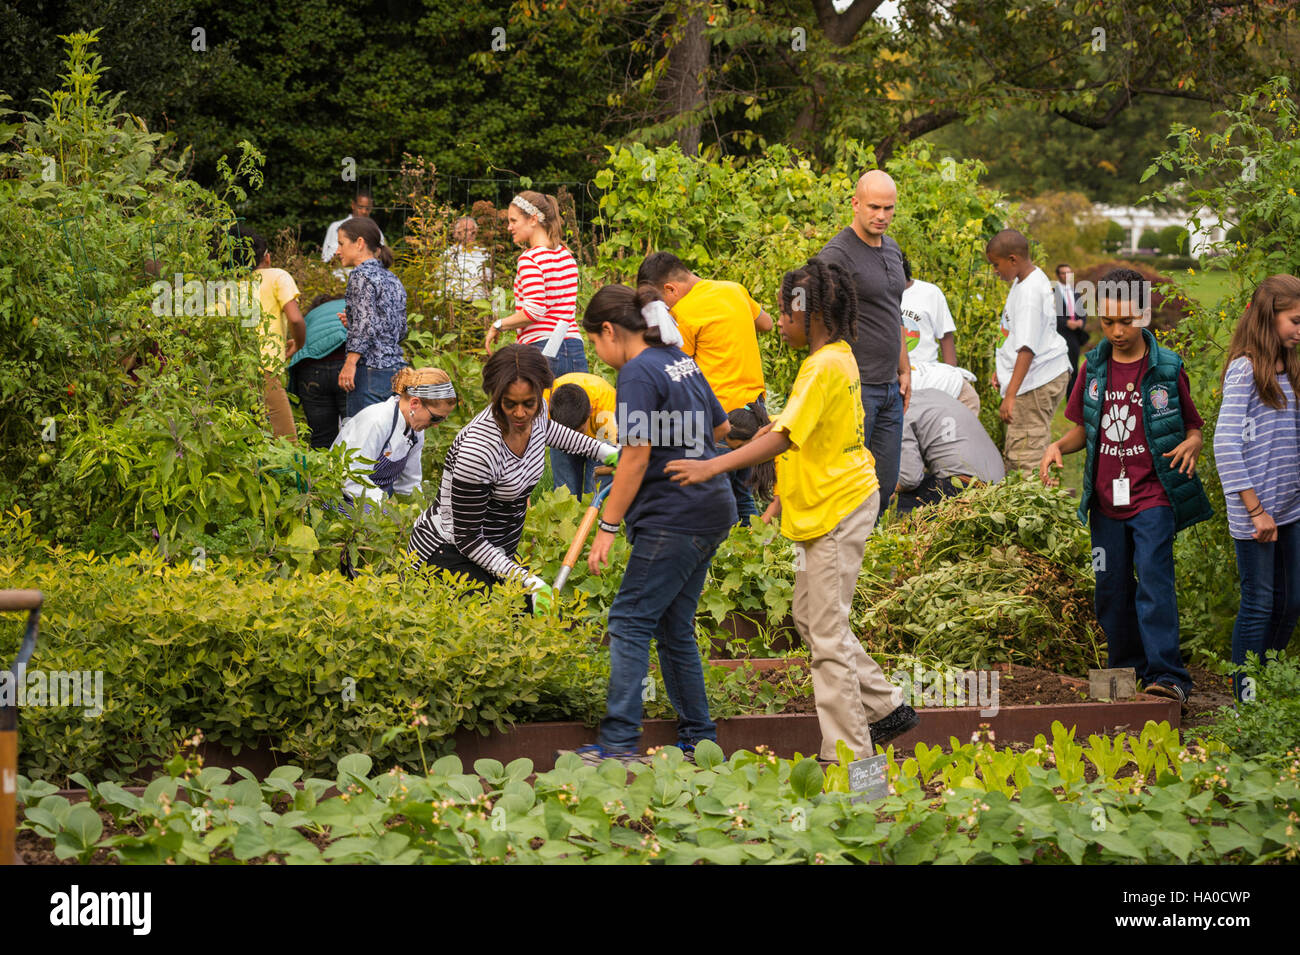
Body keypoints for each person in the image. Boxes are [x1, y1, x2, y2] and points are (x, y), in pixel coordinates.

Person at [666, 257, 918, 762]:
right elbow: (816, 429)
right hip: (828, 504)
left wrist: (711, 468)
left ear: (813, 314)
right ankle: (886, 706)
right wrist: (779, 489)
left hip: (837, 511)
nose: (777, 323)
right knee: (811, 617)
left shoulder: (823, 366)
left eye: (784, 314)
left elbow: (783, 438)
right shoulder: (837, 355)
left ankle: (850, 759)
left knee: (826, 637)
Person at [568, 284, 737, 765]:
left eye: (596, 346)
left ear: (608, 331)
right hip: (711, 507)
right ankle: (700, 740)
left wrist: (607, 526)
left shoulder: (638, 372)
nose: (599, 358)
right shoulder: (677, 358)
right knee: (674, 625)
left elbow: (637, 456)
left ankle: (619, 743)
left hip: (674, 515)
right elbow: (721, 429)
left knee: (629, 619)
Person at [1040, 268, 1212, 705]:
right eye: (1108, 322)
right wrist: (1058, 445)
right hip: (1105, 502)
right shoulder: (1093, 365)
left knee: (1154, 583)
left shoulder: (1167, 367)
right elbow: (1084, 428)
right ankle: (1125, 673)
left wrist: (1192, 443)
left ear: (1144, 314)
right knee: (1111, 589)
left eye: (1126, 321)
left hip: (1152, 497)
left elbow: (1193, 426)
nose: (1117, 332)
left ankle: (1169, 676)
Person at [408, 344, 618, 605]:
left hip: (495, 554)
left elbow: (550, 431)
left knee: (531, 617)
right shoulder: (479, 449)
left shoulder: (537, 412)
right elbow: (467, 538)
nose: (521, 414)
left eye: (529, 403)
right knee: (502, 627)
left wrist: (606, 452)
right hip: (449, 556)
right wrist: (527, 581)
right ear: (496, 397)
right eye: (510, 404)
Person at [636, 251, 772, 523]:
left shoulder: (683, 315)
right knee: (742, 491)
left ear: (670, 289)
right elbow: (766, 324)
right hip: (755, 414)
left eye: (658, 303)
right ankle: (756, 548)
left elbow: (674, 371)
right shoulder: (734, 290)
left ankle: (726, 557)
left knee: (716, 496)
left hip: (717, 420)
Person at [1214, 274, 1300, 700]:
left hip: (1291, 507)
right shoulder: (1245, 369)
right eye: (1295, 320)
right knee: (1259, 604)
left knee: (1291, 603)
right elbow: (1224, 443)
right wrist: (1254, 510)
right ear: (1271, 317)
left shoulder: (1295, 365)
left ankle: (1263, 682)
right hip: (1255, 511)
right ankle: (1243, 700)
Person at [818, 170, 910, 511]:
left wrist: (905, 370)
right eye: (874, 207)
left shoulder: (892, 248)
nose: (882, 216)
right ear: (855, 204)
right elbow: (814, 319)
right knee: (849, 485)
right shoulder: (836, 255)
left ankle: (869, 556)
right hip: (854, 387)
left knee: (883, 485)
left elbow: (894, 310)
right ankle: (841, 559)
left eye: (889, 208)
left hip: (889, 387)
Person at [987, 229, 1072, 475]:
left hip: (1034, 382)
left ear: (1013, 259)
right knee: (1026, 448)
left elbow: (1027, 349)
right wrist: (1002, 371)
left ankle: (1037, 507)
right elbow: (1017, 334)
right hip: (1032, 377)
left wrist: (1010, 394)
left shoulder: (1029, 293)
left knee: (1025, 455)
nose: (994, 270)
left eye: (996, 264)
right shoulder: (1024, 279)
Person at [483, 192, 586, 378]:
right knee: (575, 406)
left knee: (541, 406)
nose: (509, 227)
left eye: (513, 221)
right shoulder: (567, 256)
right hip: (574, 347)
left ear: (533, 219)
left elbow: (534, 311)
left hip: (542, 350)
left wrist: (498, 325)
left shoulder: (530, 259)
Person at [333, 367, 457, 506]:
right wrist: (389, 507)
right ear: (415, 403)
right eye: (435, 418)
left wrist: (420, 513)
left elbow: (409, 484)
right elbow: (351, 479)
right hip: (342, 502)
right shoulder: (377, 421)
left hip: (373, 503)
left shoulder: (416, 430)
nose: (436, 425)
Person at [233, 227, 306, 442]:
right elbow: (295, 318)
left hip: (236, 372)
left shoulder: (230, 286)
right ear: (267, 257)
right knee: (287, 443)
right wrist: (298, 344)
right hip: (266, 369)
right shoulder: (277, 275)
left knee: (252, 442)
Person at [336, 217, 408, 417]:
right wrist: (355, 323)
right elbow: (400, 329)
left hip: (370, 371)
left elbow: (365, 325)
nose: (337, 251)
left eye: (341, 243)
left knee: (363, 440)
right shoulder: (393, 278)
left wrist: (350, 364)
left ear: (359, 243)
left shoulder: (360, 275)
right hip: (396, 370)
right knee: (388, 440)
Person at [896, 388, 1005, 513]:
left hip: (963, 486)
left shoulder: (900, 411)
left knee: (886, 503)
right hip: (996, 489)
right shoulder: (934, 394)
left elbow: (909, 480)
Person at [900, 251, 981, 415]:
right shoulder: (880, 295)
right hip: (900, 381)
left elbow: (946, 337)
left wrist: (951, 375)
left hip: (931, 379)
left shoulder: (930, 293)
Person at [542, 372, 618, 497]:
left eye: (580, 432)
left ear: (591, 411)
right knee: (564, 491)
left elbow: (620, 454)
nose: (575, 442)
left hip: (601, 438)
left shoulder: (608, 408)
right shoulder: (544, 402)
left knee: (594, 493)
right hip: (560, 438)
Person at [289, 294, 349, 449]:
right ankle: (353, 473)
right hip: (345, 365)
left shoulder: (311, 316)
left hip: (309, 370)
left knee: (321, 438)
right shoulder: (349, 304)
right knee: (354, 433)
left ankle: (322, 472)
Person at [322, 190, 385, 278]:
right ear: (353, 205)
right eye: (360, 207)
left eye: (367, 208)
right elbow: (325, 260)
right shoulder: (336, 227)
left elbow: (381, 260)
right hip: (338, 281)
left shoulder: (375, 231)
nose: (364, 211)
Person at [723, 403, 776, 506]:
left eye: (740, 448)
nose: (740, 456)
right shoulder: (761, 425)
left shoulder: (778, 443)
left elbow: (778, 502)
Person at [443, 216, 493, 315]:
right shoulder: (449, 254)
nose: (470, 234)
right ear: (457, 233)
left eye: (473, 231)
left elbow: (491, 279)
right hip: (458, 306)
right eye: (466, 230)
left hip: (482, 306)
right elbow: (443, 283)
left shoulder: (484, 254)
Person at [1055, 263, 1091, 400]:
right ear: (1058, 275)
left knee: (1074, 365)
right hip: (1060, 334)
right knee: (1059, 367)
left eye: (1069, 273)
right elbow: (1051, 315)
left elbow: (1082, 312)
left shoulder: (1075, 292)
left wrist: (1081, 321)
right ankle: (1060, 393)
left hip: (1075, 335)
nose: (1067, 276)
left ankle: (1072, 397)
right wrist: (1066, 323)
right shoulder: (1054, 292)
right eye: (1064, 273)